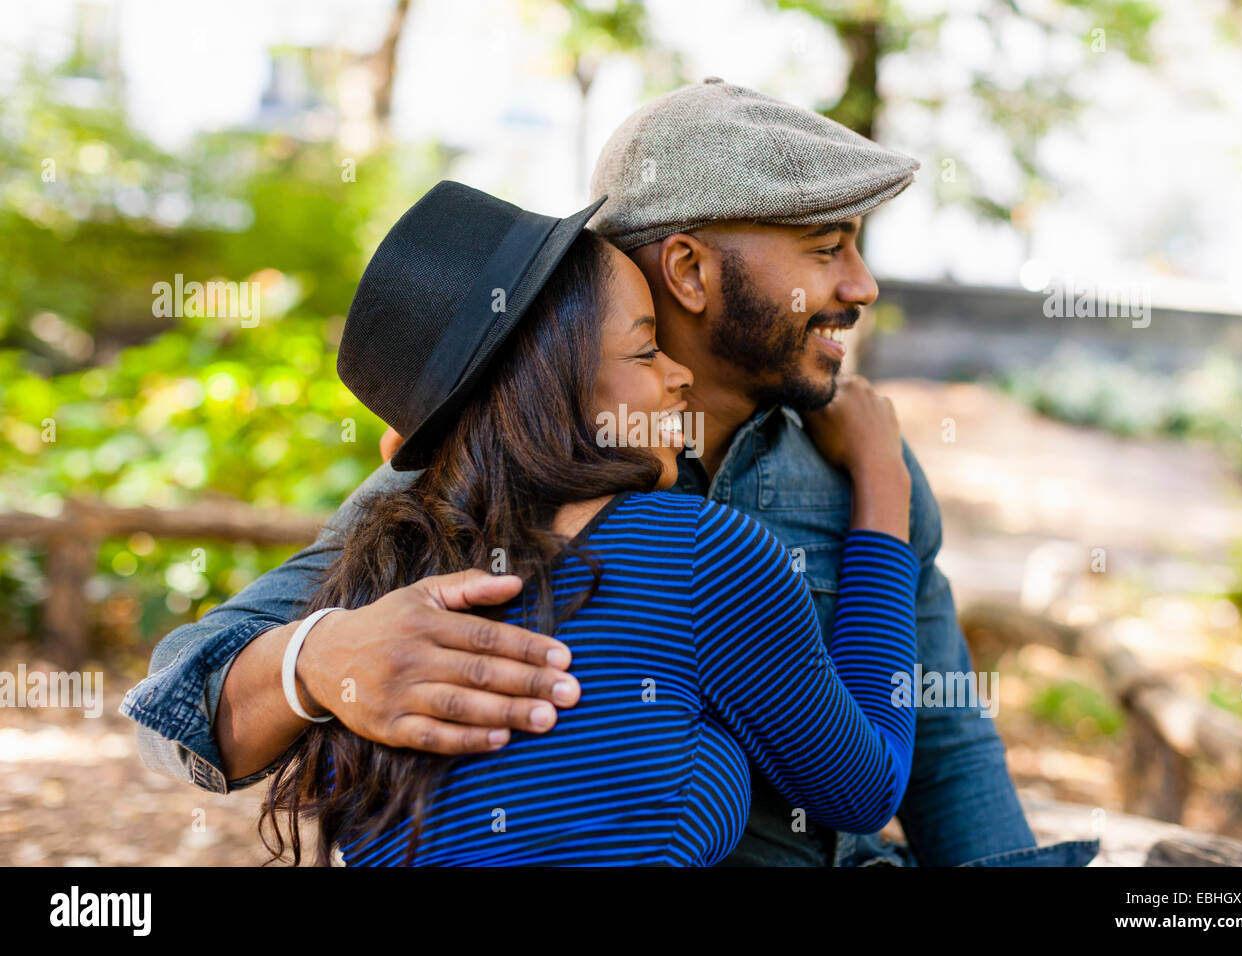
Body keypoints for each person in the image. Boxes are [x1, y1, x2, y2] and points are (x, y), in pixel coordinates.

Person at [123, 78, 1099, 867]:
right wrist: (319, 660)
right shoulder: (462, 493)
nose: (862, 284)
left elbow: (940, 740)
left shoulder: (859, 461)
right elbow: (177, 708)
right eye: (825, 245)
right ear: (688, 271)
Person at [260, 180, 920, 866]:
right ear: (555, 390)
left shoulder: (375, 591)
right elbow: (865, 790)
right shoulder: (701, 557)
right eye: (645, 351)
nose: (679, 377)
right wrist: (883, 485)